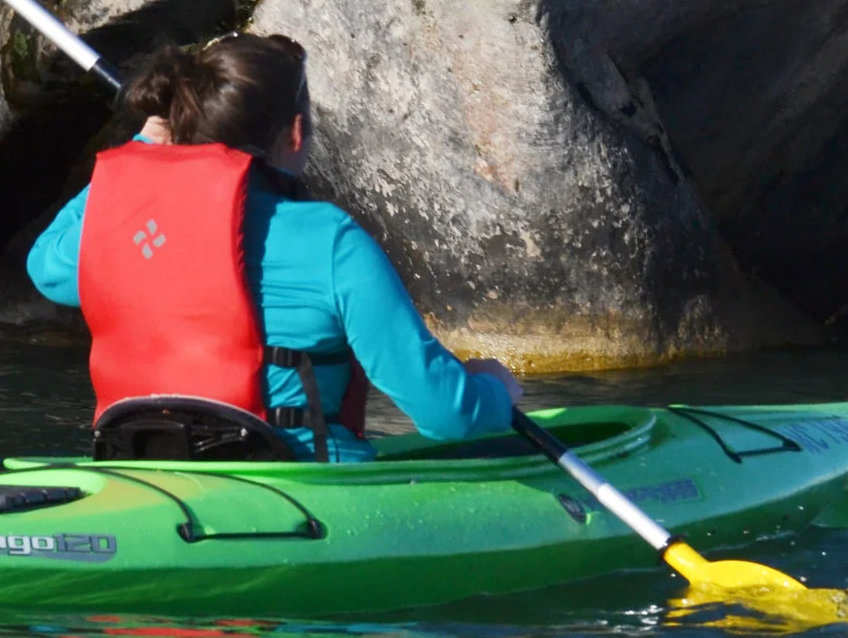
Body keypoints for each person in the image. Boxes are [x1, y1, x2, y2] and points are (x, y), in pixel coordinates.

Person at [26, 34, 523, 462]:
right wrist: (494, 392)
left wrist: (144, 149)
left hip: (144, 474)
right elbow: (446, 417)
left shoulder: (129, 235)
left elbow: (46, 267)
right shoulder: (330, 241)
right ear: (297, 132)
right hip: (295, 483)